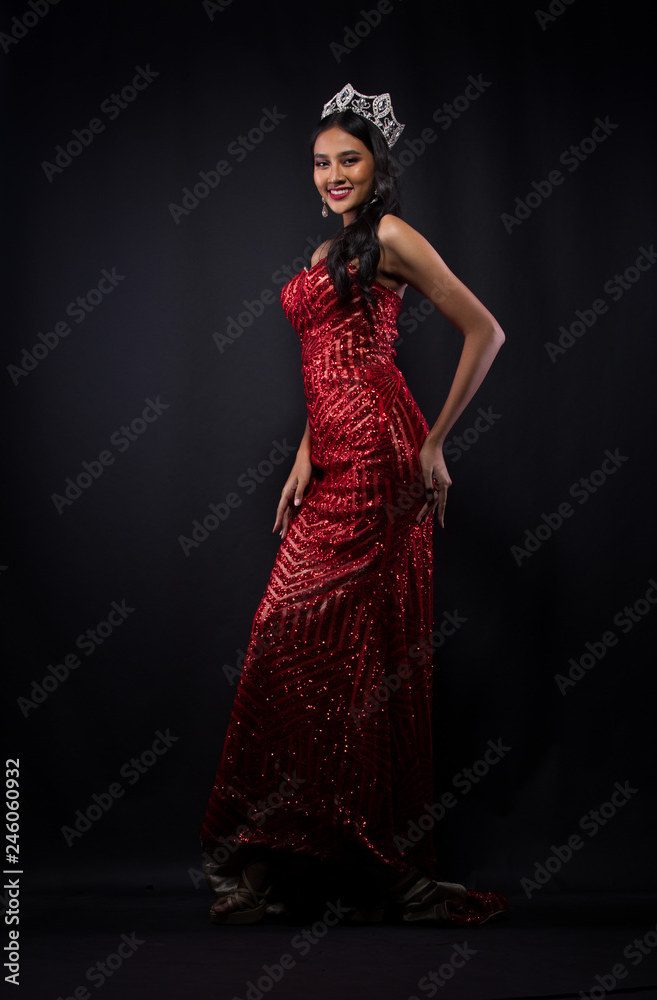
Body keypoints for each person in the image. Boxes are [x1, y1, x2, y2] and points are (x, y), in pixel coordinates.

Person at [200, 83, 507, 926]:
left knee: (311, 646)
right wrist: (303, 451)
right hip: (331, 460)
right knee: (305, 658)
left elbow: (485, 331)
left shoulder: (394, 235)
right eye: (321, 162)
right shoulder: (330, 249)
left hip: (379, 462)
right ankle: (276, 864)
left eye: (348, 161)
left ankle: (376, 872)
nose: (332, 175)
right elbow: (333, 360)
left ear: (378, 169)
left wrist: (434, 441)